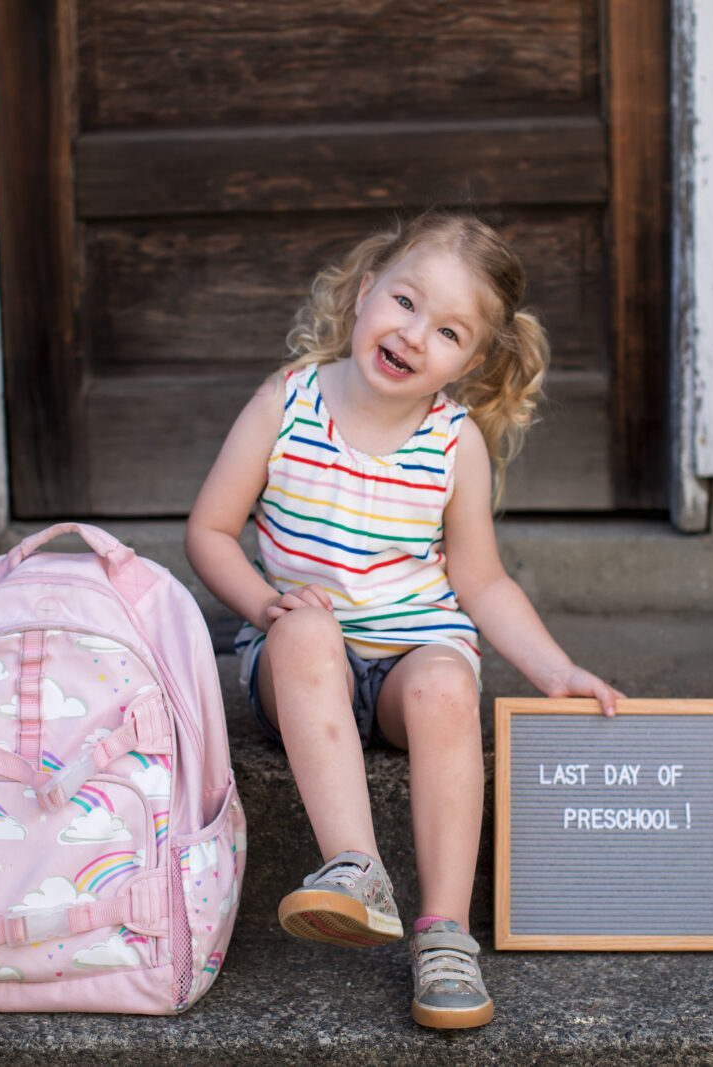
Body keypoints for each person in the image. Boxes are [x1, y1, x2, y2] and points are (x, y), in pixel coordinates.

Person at [185, 210, 623, 1029]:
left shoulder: (453, 444)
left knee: (448, 683)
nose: (417, 334)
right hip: (299, 668)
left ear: (472, 361)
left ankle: (446, 934)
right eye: (407, 303)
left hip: (402, 664)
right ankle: (355, 867)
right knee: (310, 632)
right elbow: (209, 531)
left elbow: (481, 582)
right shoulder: (288, 403)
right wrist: (263, 604)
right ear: (362, 293)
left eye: (449, 331)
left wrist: (554, 668)